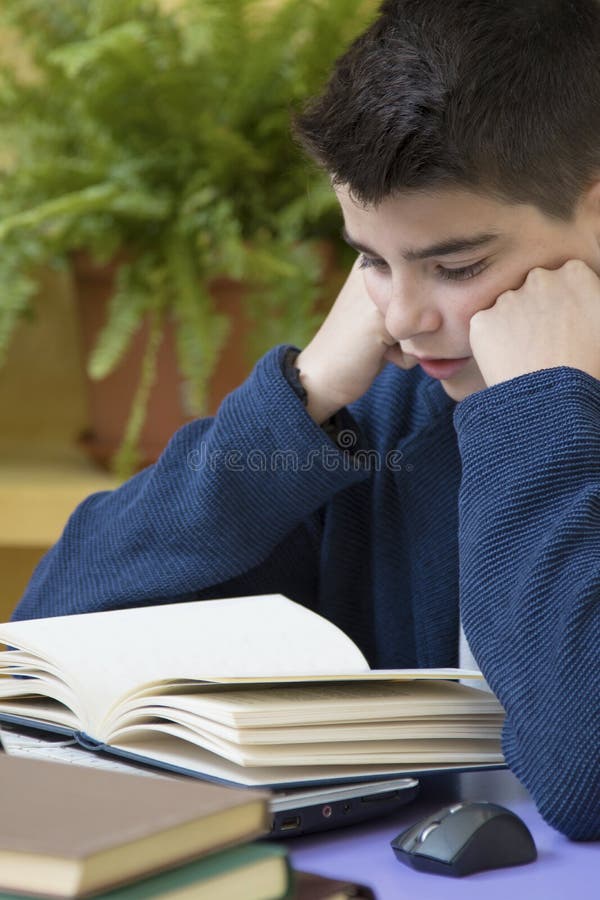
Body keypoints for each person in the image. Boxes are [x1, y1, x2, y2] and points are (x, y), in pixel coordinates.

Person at [12, 0, 600, 840]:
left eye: (457, 264)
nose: (399, 317)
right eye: (370, 259)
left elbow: (589, 774)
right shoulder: (400, 405)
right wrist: (307, 395)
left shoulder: (507, 411)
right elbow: (55, 621)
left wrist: (537, 416)